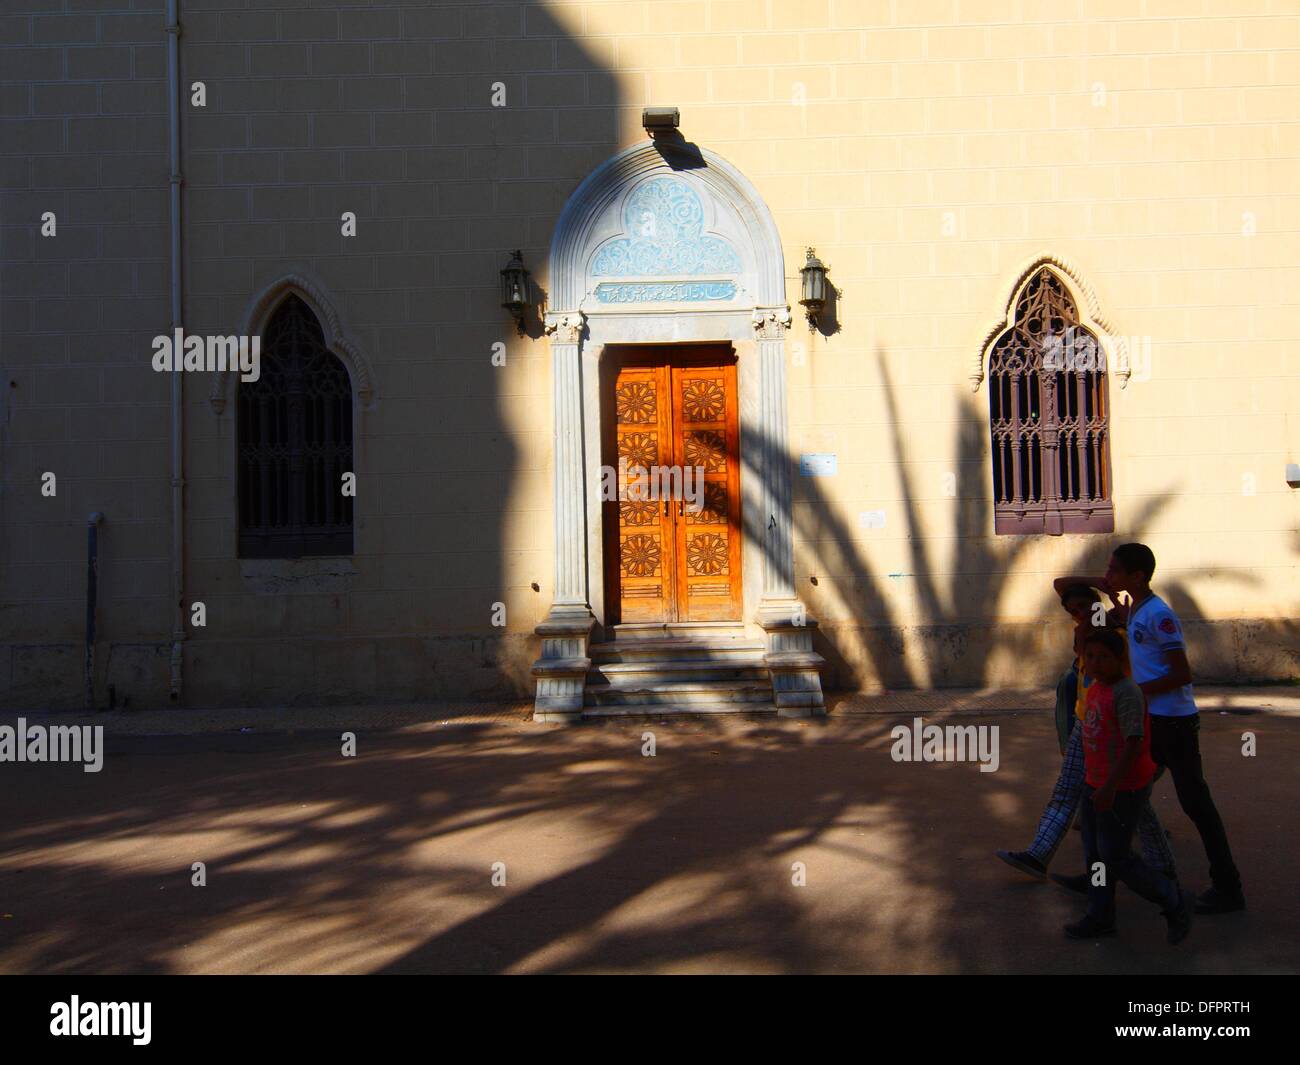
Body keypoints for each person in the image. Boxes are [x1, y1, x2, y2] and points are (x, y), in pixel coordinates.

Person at [995, 583, 1175, 883]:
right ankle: (1043, 857)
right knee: (1070, 792)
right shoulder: (1086, 638)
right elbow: (1080, 686)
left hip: (1114, 732)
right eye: (1073, 611)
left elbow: (1133, 734)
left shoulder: (1120, 633)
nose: (1079, 614)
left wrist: (1103, 588)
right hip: (1087, 725)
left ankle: (1158, 878)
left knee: (1131, 803)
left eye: (1085, 607)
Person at [1101, 543, 1246, 914]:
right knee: (1126, 798)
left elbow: (1181, 673)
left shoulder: (1158, 614)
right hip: (1154, 721)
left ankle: (1228, 887)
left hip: (1174, 724)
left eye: (1116, 570)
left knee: (1195, 805)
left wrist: (1133, 692)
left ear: (1136, 576)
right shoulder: (1134, 609)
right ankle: (1101, 881)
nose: (1109, 575)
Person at [1065, 627, 1194, 943]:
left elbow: (1133, 744)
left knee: (1117, 857)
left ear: (1120, 660)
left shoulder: (1127, 693)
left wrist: (1110, 787)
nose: (1095, 663)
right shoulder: (1096, 689)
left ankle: (1172, 899)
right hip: (1095, 785)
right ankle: (1100, 916)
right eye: (1090, 656)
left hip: (1122, 789)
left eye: (1103, 657)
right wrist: (1093, 782)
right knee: (1095, 855)